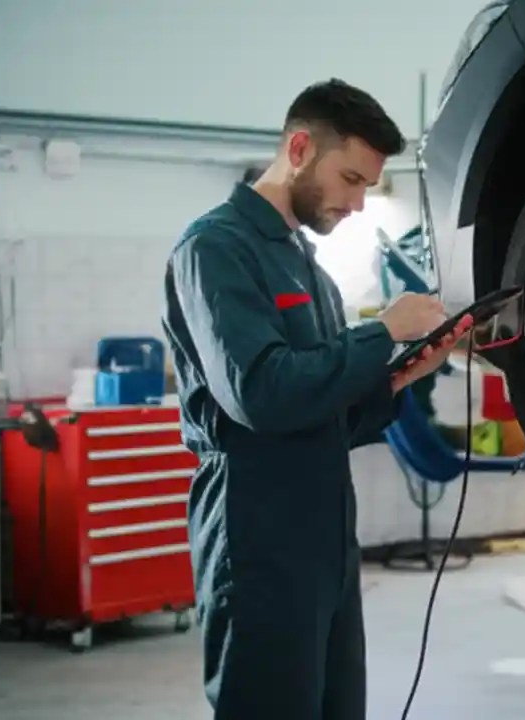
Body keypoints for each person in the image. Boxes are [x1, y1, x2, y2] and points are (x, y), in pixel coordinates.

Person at [162, 78, 472, 720]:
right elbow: (262, 395)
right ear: (300, 148)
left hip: (326, 536)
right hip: (256, 532)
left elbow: (328, 411)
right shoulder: (214, 249)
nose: (359, 204)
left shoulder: (312, 271)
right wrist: (382, 329)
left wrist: (405, 371)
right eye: (352, 179)